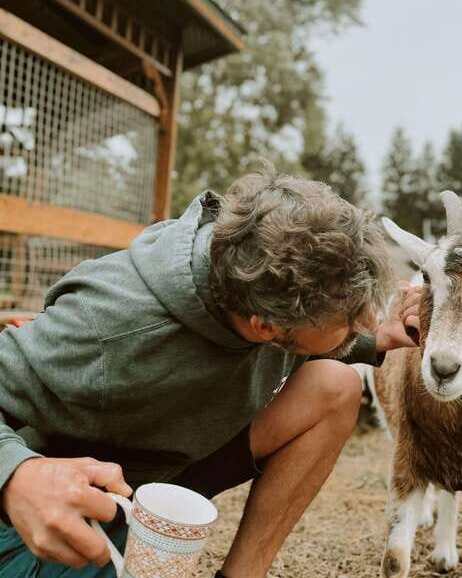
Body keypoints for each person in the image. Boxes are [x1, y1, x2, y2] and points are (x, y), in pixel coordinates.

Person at [0, 167, 421, 577]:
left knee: (335, 385)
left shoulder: (259, 296)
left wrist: (379, 336)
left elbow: (307, 342)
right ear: (266, 327)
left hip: (170, 466)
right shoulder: (109, 324)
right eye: (349, 318)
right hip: (81, 491)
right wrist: (16, 475)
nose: (364, 320)